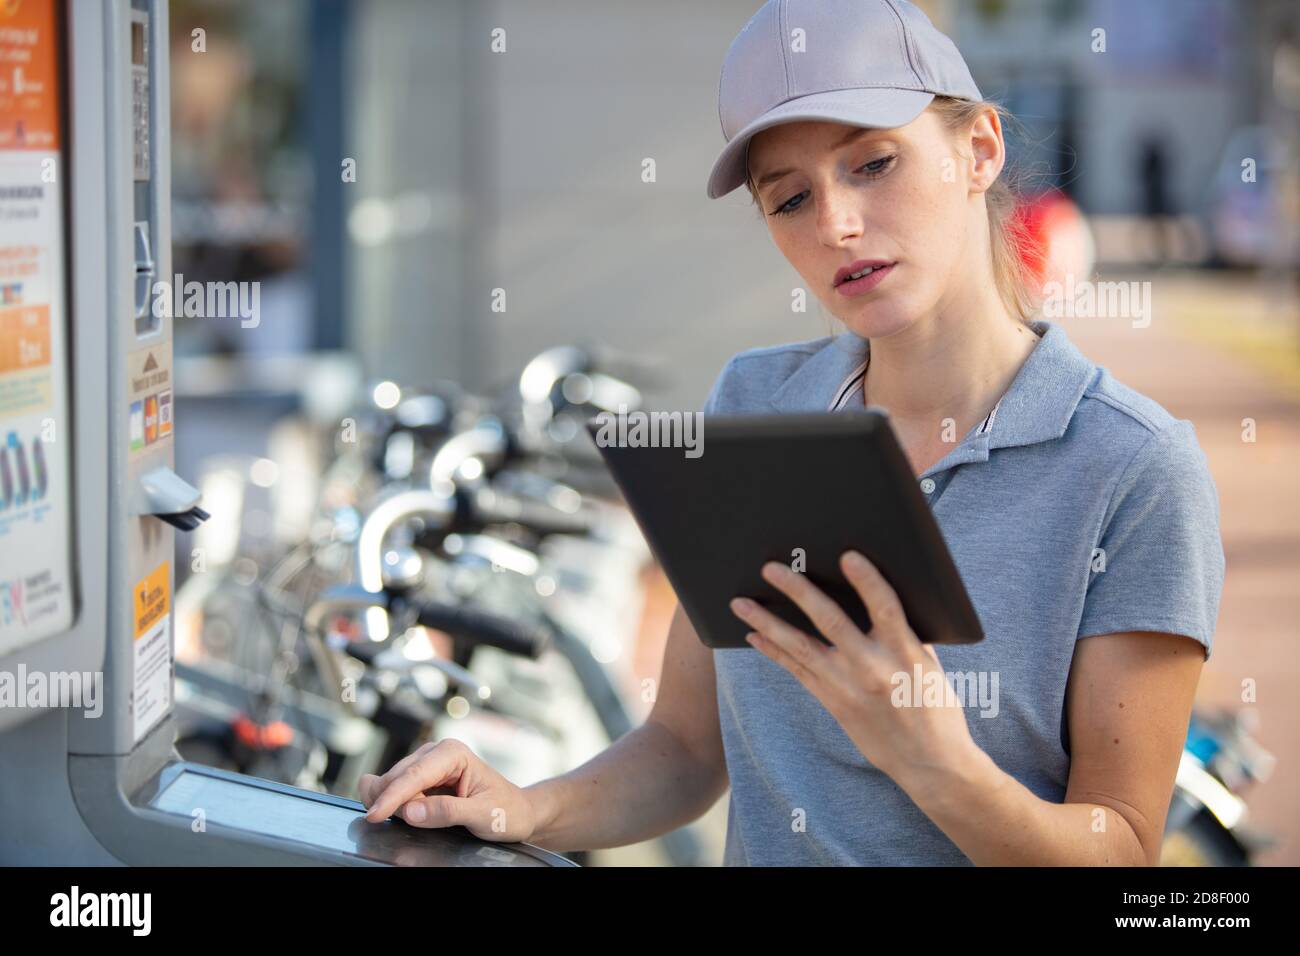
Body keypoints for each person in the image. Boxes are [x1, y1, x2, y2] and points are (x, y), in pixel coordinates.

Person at [358, 0, 1225, 866]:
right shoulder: (757, 404)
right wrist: (524, 807)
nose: (836, 226)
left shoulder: (1134, 468)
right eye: (791, 198)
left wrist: (939, 765)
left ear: (980, 150)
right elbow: (687, 748)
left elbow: (1123, 854)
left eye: (874, 163)